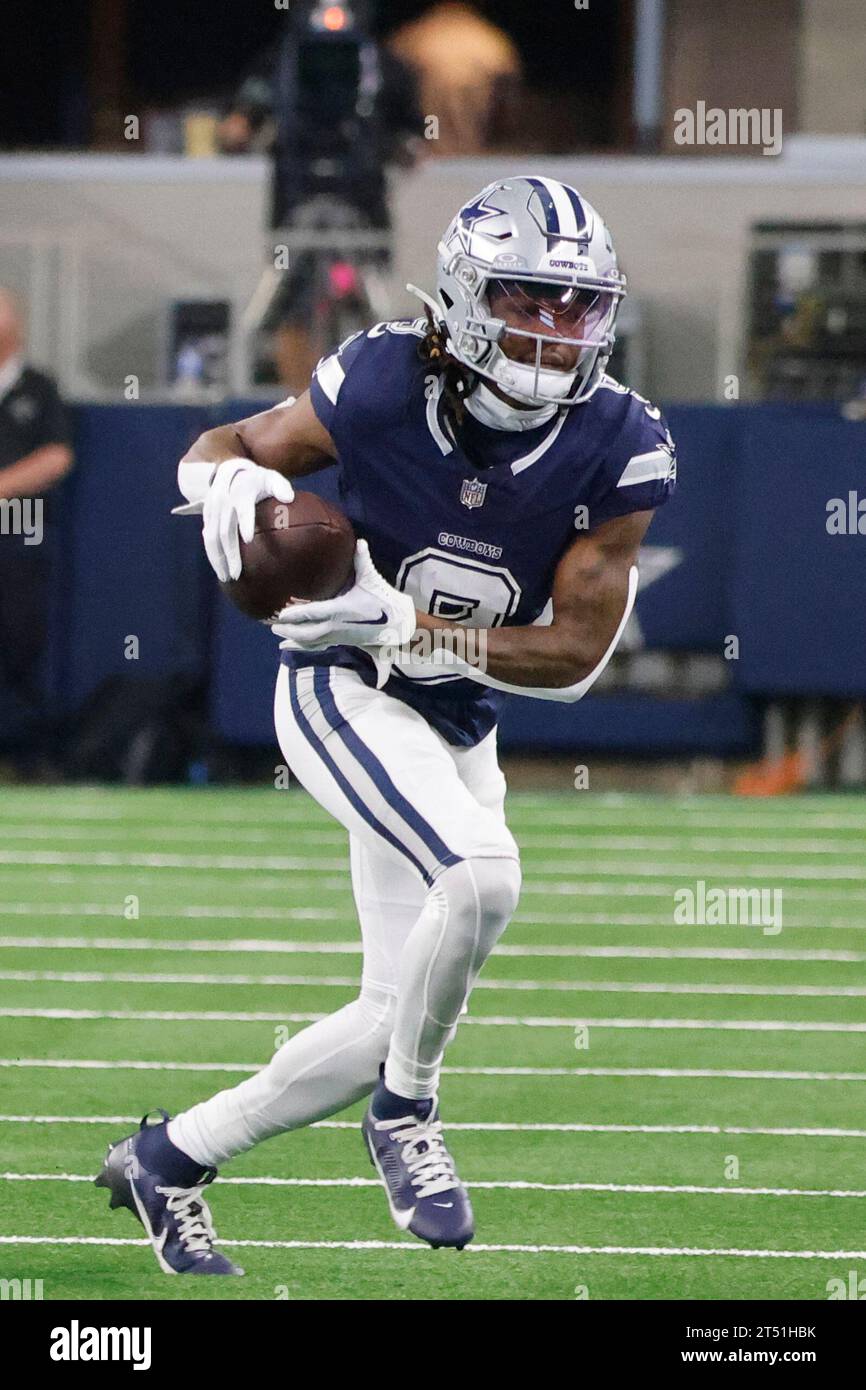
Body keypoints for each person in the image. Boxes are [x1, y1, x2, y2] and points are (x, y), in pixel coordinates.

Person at [95, 175, 677, 1273]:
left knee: (383, 1012)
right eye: (527, 298)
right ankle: (406, 1113)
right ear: (462, 294)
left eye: (577, 306)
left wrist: (411, 624)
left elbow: (571, 661)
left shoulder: (617, 442)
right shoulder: (376, 381)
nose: (554, 332)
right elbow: (225, 442)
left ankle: (168, 1156)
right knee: (484, 876)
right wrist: (217, 481)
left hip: (457, 715)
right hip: (337, 683)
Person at [0, 289, 73, 758]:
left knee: (17, 641)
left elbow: (57, 455)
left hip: (17, 536)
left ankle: (19, 752)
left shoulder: (38, 388)